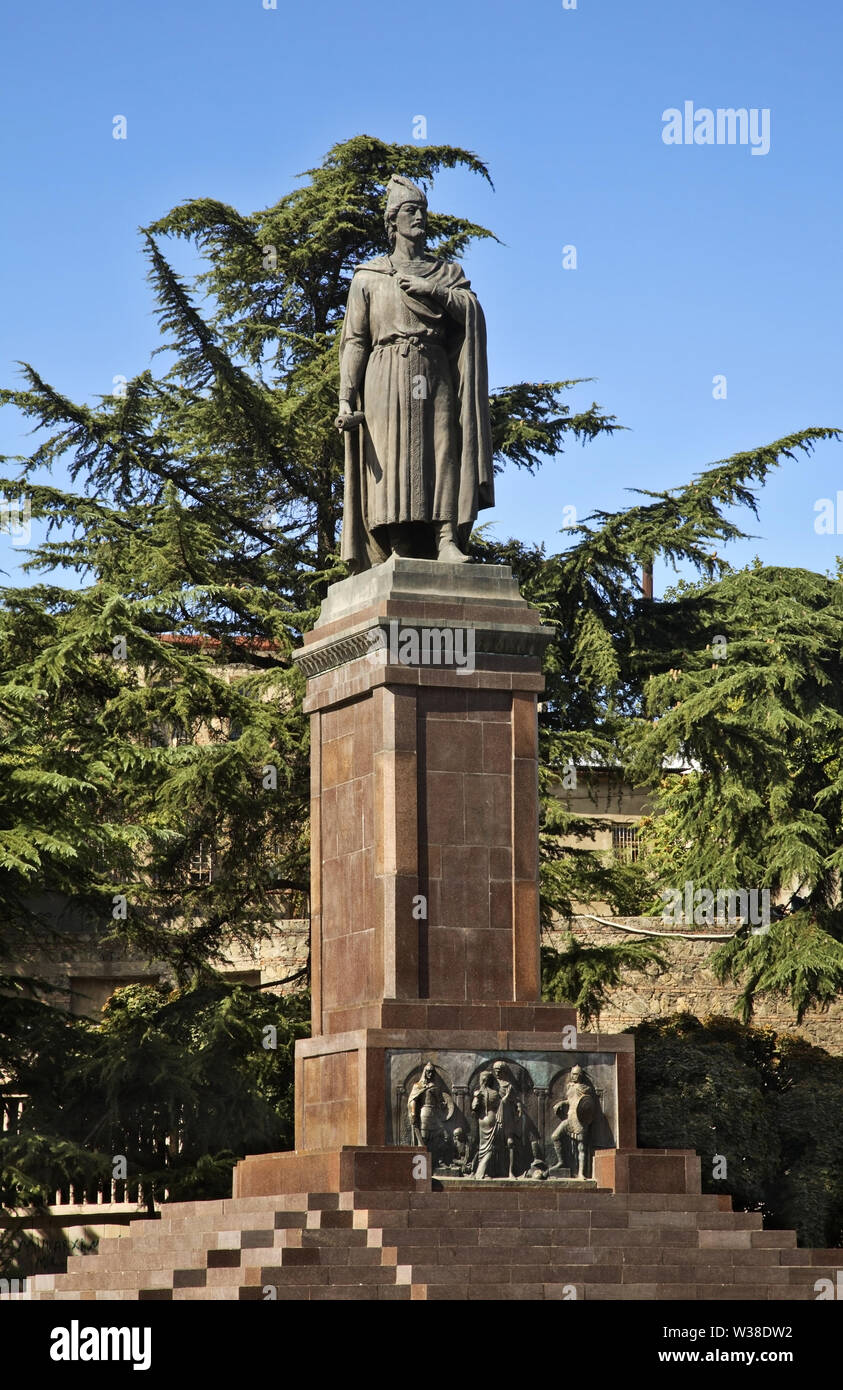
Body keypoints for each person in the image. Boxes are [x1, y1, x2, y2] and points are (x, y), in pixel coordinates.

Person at [336, 175, 494, 572]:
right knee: (389, 457)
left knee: (442, 449)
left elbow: (471, 313)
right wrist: (345, 396)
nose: (419, 217)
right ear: (392, 221)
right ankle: (399, 543)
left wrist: (434, 292)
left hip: (434, 366)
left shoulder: (446, 273)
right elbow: (355, 341)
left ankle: (445, 539)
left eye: (422, 210)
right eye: (410, 210)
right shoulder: (368, 277)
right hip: (385, 371)